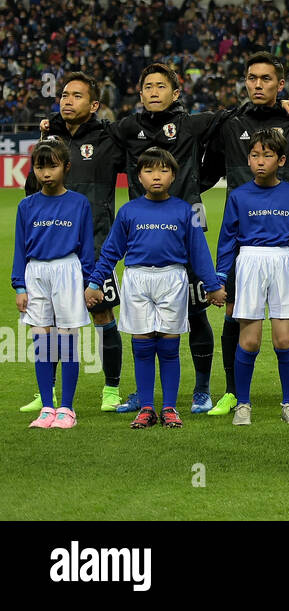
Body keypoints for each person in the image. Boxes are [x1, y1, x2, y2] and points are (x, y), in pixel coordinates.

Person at [202, 51, 289, 418]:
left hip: (287, 249)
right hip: (245, 248)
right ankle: (233, 394)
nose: (258, 85)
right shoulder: (231, 122)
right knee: (238, 321)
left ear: (280, 84)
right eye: (252, 78)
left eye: (266, 79)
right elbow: (205, 165)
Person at [83, 147, 225, 429]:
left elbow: (198, 252)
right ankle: (147, 408)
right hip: (137, 279)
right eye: (149, 171)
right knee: (144, 346)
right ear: (138, 177)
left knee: (170, 347)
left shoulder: (185, 210)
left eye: (163, 170)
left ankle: (170, 408)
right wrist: (95, 282)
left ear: (173, 175)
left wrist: (212, 286)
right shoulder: (129, 211)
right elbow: (111, 251)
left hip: (173, 279)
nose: (156, 176)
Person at [21, 72, 125, 413]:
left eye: (77, 96)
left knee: (101, 313)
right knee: (49, 322)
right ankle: (46, 392)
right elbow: (30, 190)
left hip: (96, 243)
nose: (67, 100)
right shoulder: (49, 138)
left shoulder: (110, 137)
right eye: (64, 94)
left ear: (94, 105)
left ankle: (111, 389)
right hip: (53, 250)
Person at [214, 128, 289, 426]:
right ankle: (243, 404)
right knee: (249, 341)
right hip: (249, 262)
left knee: (285, 339)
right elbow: (227, 241)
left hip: (283, 263)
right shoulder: (239, 195)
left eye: (268, 155)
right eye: (255, 155)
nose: (260, 161)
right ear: (248, 159)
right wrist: (220, 278)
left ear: (281, 160)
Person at [14, 140, 96, 429]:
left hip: (68, 271)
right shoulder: (26, 206)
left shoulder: (78, 203)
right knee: (42, 343)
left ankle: (67, 409)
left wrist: (90, 283)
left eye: (52, 166)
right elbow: (20, 250)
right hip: (36, 274)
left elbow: (87, 247)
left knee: (67, 342)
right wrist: (19, 286)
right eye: (40, 166)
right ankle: (47, 407)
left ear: (66, 167)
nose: (46, 173)